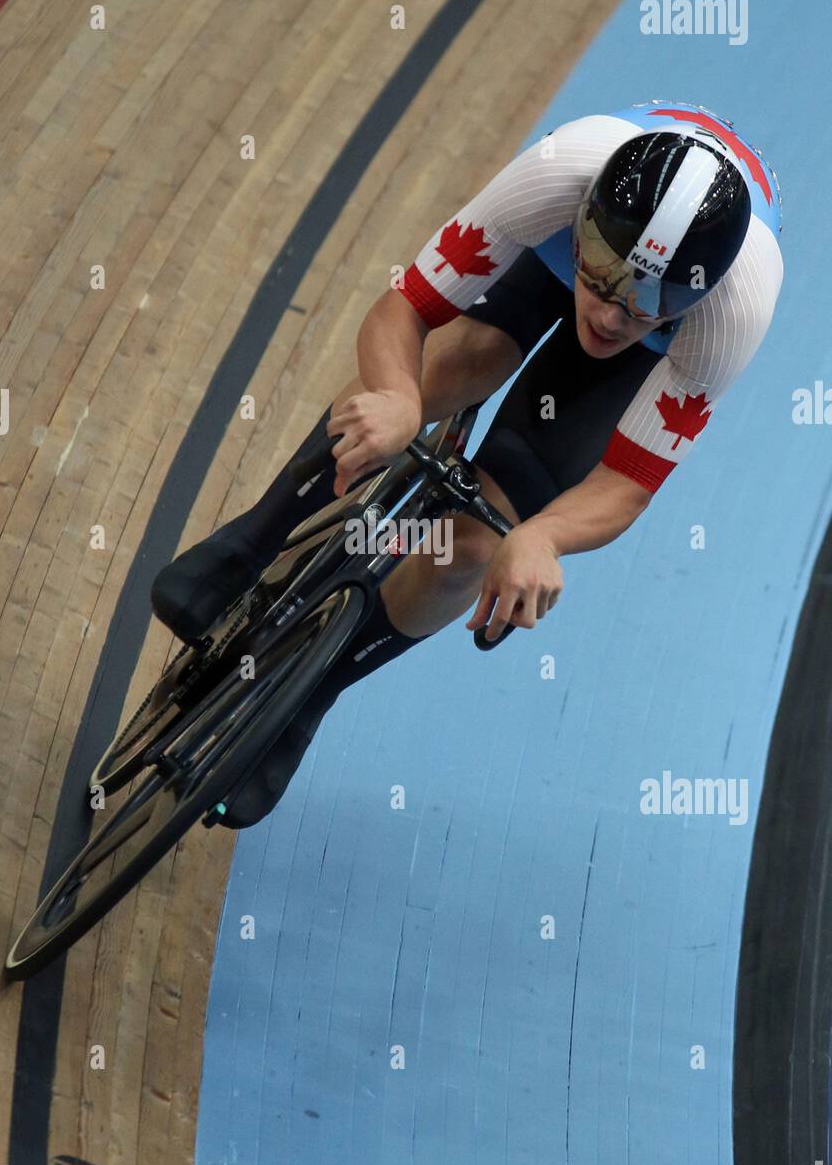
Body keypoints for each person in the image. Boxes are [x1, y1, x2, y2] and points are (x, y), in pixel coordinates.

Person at [151, 100, 784, 828]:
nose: (611, 317)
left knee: (472, 549)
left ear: (695, 298)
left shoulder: (730, 312)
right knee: (451, 366)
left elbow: (627, 483)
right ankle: (251, 540)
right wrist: (395, 393)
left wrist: (543, 537)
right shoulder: (555, 177)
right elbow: (405, 313)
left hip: (643, 344)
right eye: (607, 282)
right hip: (545, 257)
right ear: (585, 222)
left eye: (647, 305)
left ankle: (311, 695)